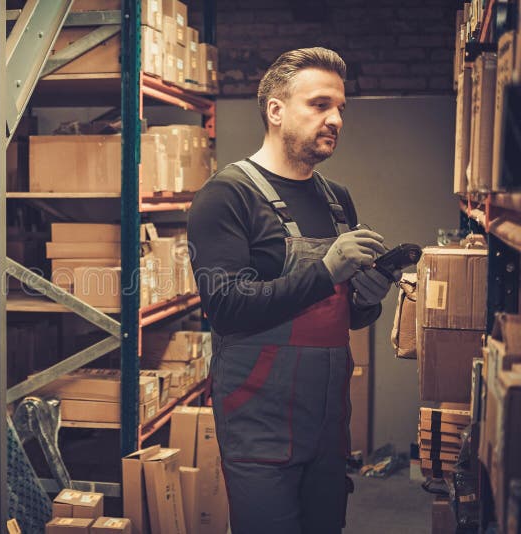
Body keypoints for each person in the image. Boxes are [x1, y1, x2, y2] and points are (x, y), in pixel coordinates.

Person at [187, 47, 401, 533]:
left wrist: (366, 293)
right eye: (320, 104)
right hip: (259, 425)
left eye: (341, 108)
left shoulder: (336, 198)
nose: (336, 119)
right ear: (276, 110)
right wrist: (326, 271)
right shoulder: (227, 196)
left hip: (327, 425)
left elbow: (345, 317)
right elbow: (226, 307)